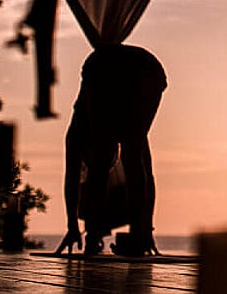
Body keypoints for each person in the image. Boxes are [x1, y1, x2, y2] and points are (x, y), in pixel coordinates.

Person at [53, 44, 167, 256]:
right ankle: (122, 236)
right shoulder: (84, 131)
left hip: (137, 70)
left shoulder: (85, 127)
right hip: (145, 70)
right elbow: (146, 176)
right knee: (131, 156)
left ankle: (107, 236)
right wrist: (71, 227)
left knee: (128, 157)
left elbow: (77, 177)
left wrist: (146, 229)